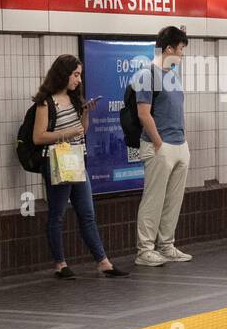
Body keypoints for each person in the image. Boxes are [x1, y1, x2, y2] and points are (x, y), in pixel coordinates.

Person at [31, 55, 129, 279]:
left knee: (87, 213)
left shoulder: (75, 99)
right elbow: (38, 137)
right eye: (75, 75)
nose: (78, 80)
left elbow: (82, 130)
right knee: (57, 214)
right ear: (62, 74)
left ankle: (103, 262)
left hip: (75, 160)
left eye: (80, 75)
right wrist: (66, 133)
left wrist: (86, 112)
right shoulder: (46, 102)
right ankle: (60, 264)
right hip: (57, 161)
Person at [135, 25, 192, 267]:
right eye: (180, 50)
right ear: (169, 48)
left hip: (179, 144)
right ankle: (144, 250)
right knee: (154, 199)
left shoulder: (173, 75)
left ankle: (166, 245)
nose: (181, 55)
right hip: (159, 146)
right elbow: (143, 113)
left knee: (173, 200)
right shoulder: (147, 74)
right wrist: (159, 143)